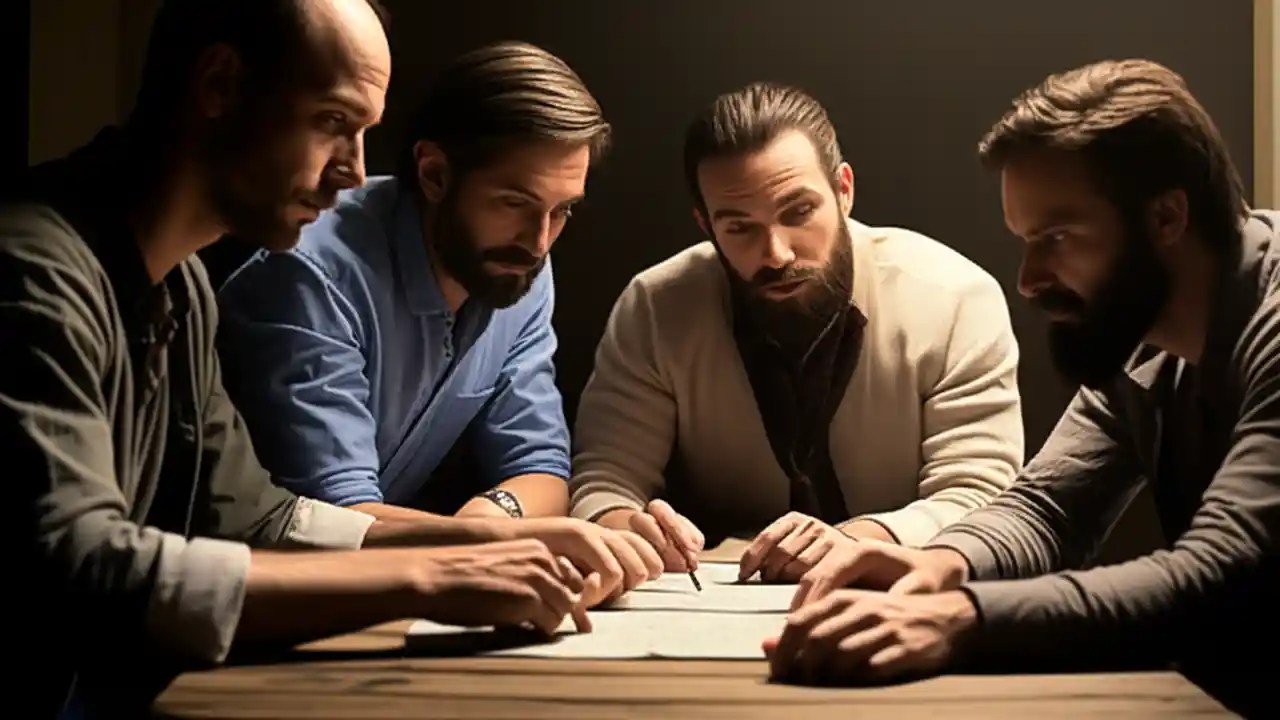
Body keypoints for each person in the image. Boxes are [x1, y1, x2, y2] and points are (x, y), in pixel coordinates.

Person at [4, 4, 602, 717]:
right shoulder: (31, 271)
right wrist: (433, 576)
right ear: (220, 85)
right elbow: (83, 566)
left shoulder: (181, 285)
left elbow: (262, 518)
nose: (354, 173)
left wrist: (492, 541)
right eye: (332, 122)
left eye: (364, 133)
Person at [763, 59, 1278, 715]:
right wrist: (943, 562)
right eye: (1027, 242)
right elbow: (1048, 508)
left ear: (1166, 217)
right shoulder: (1141, 336)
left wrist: (960, 618)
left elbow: (1223, 575)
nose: (1029, 280)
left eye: (1056, 237)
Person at [214, 40, 663, 598]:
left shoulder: (517, 268)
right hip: (252, 598)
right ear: (434, 174)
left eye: (562, 210)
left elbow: (543, 469)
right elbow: (333, 520)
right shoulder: (309, 273)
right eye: (514, 202)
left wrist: (491, 522)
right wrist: (489, 544)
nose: (540, 241)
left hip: (382, 575)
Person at [568, 82, 1024, 578]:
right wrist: (624, 528)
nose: (776, 254)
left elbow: (980, 494)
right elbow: (603, 479)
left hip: (896, 594)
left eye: (799, 212)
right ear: (705, 224)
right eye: (739, 227)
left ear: (844, 190)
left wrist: (857, 542)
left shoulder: (954, 298)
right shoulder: (655, 307)